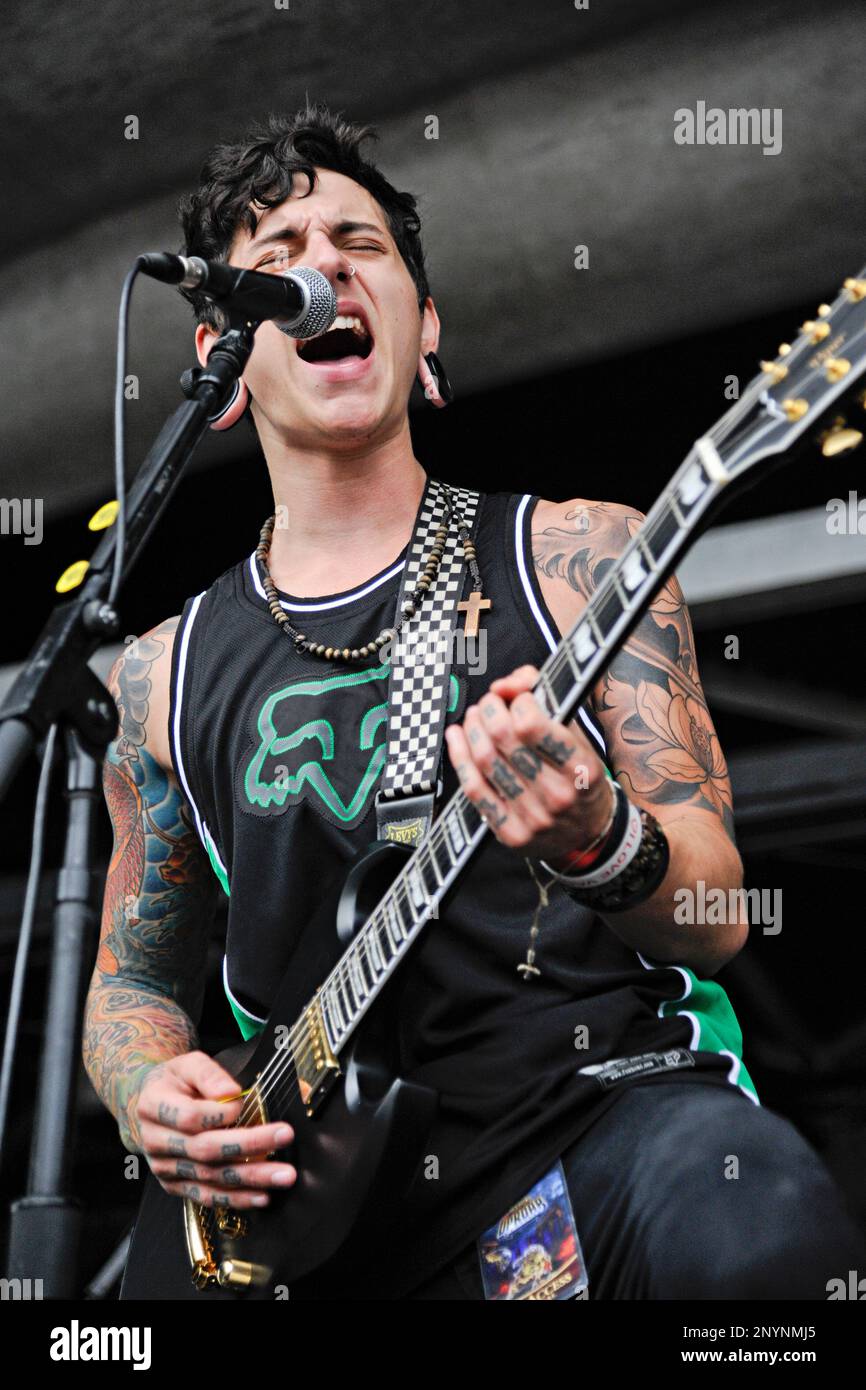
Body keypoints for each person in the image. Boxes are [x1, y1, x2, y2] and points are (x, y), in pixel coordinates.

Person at [82, 103, 864, 1300]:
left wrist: (602, 842)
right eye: (278, 258)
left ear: (423, 324)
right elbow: (134, 985)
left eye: (360, 245)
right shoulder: (156, 675)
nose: (324, 271)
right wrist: (149, 1094)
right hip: (327, 1226)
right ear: (219, 361)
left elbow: (713, 911)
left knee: (757, 1233)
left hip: (596, 1132)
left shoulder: (578, 560)